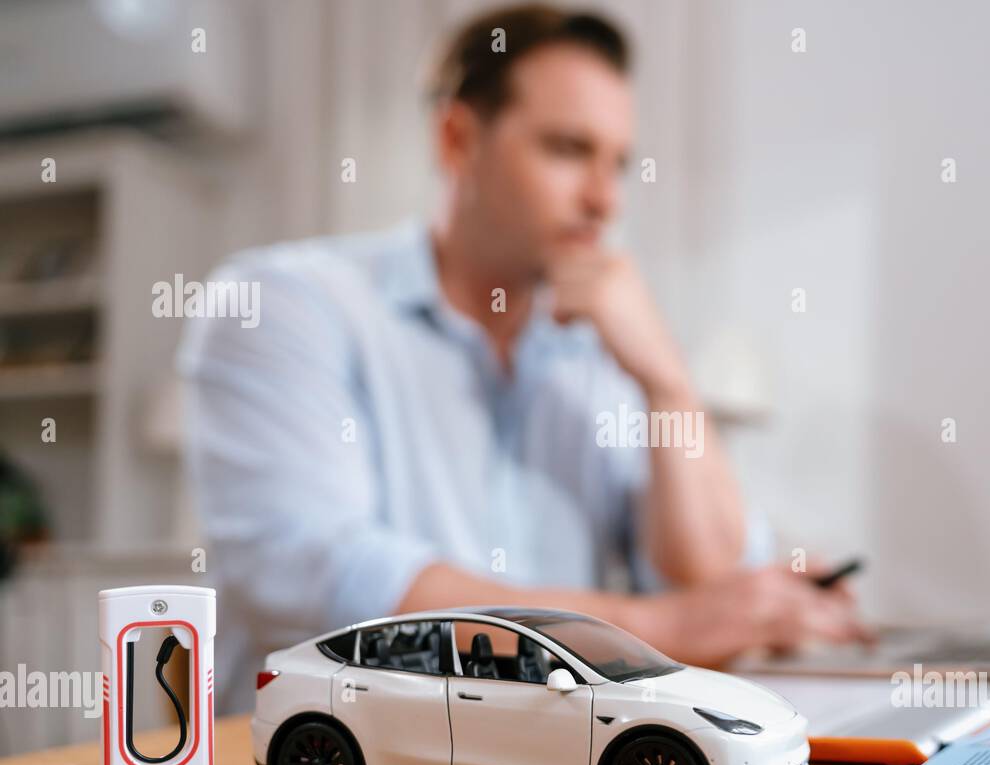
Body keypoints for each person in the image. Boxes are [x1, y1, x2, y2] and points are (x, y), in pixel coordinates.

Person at [179, 3, 865, 712]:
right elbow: (315, 574)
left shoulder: (599, 350)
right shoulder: (283, 302)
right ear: (457, 140)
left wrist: (666, 380)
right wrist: (653, 631)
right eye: (569, 149)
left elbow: (707, 582)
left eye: (618, 163)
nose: (604, 200)